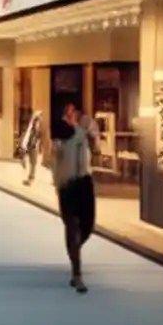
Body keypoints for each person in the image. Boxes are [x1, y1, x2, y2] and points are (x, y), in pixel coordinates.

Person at [54, 103, 97, 294]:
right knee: (72, 226)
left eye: (74, 111)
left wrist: (91, 134)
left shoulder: (83, 131)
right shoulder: (62, 133)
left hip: (84, 183)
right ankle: (76, 273)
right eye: (68, 111)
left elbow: (96, 149)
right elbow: (55, 154)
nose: (71, 115)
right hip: (67, 184)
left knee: (87, 227)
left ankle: (75, 251)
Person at [18, 111, 44, 185]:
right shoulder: (30, 125)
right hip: (27, 144)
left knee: (33, 163)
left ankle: (30, 179)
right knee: (25, 161)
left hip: (33, 146)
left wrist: (38, 145)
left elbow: (39, 136)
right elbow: (27, 133)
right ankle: (27, 176)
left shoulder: (38, 125)